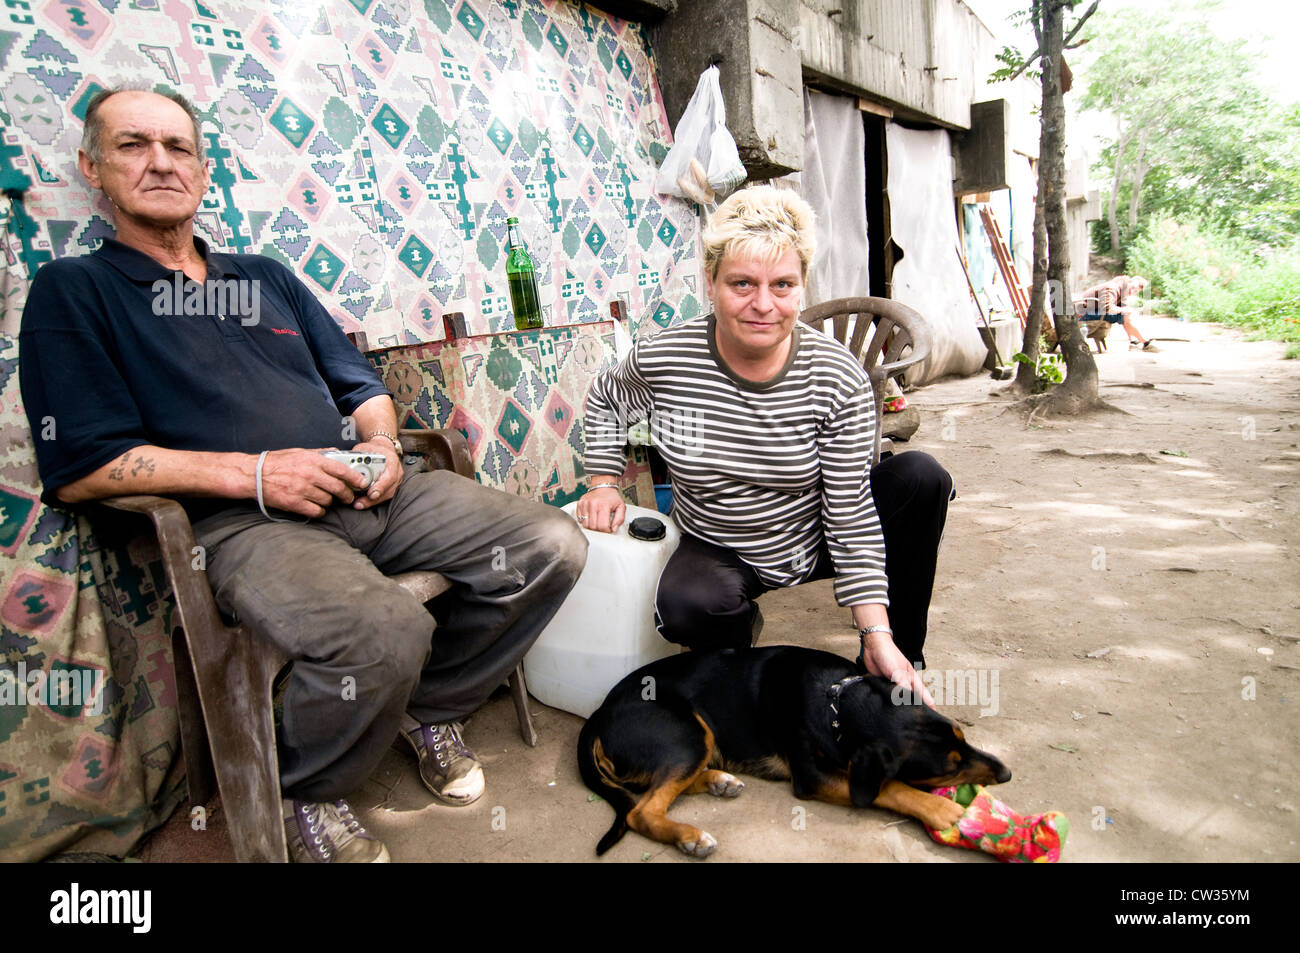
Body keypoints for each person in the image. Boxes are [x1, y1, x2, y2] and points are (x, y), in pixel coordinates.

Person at [18, 87, 587, 863]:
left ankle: (430, 706)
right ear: (93, 167)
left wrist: (383, 448)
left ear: (204, 169)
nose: (160, 161)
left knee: (551, 543)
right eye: (132, 145)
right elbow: (85, 463)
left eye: (178, 146)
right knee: (384, 629)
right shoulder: (76, 291)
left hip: (366, 489)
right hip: (246, 525)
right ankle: (304, 787)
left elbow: (362, 387)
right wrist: (256, 474)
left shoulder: (265, 276)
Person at [578, 186, 952, 705]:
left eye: (782, 285)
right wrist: (602, 479)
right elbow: (605, 397)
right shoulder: (667, 359)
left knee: (921, 477)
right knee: (690, 606)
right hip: (722, 542)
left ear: (802, 288)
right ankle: (738, 654)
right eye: (741, 283)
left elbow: (849, 511)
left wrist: (875, 634)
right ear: (710, 283)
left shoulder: (835, 376)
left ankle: (898, 665)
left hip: (814, 530)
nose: (763, 305)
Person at [1080, 274, 1155, 350]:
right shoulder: (1113, 287)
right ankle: (1144, 342)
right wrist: (1125, 310)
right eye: (1133, 288)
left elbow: (1124, 308)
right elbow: (1107, 308)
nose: (1132, 291)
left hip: (1094, 311)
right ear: (1129, 282)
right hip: (1085, 314)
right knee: (1124, 314)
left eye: (1135, 291)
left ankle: (1134, 342)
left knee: (1126, 314)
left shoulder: (1123, 289)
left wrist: (1126, 310)